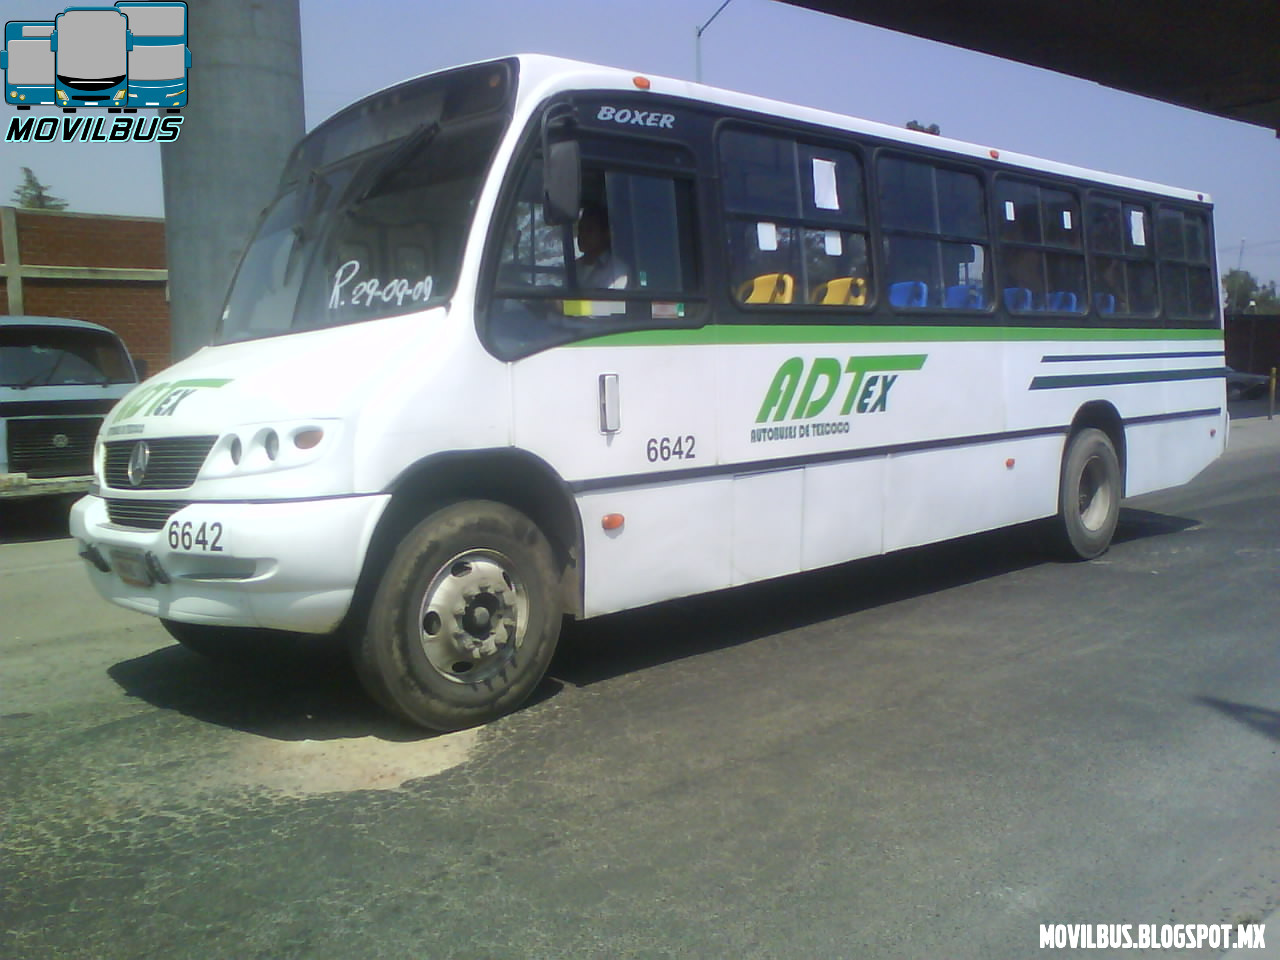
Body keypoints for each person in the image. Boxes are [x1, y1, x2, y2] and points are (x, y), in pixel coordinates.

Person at [575, 203, 629, 290]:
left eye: (589, 230)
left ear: (606, 234)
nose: (582, 235)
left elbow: (614, 302)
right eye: (580, 229)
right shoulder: (574, 266)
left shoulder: (617, 270)